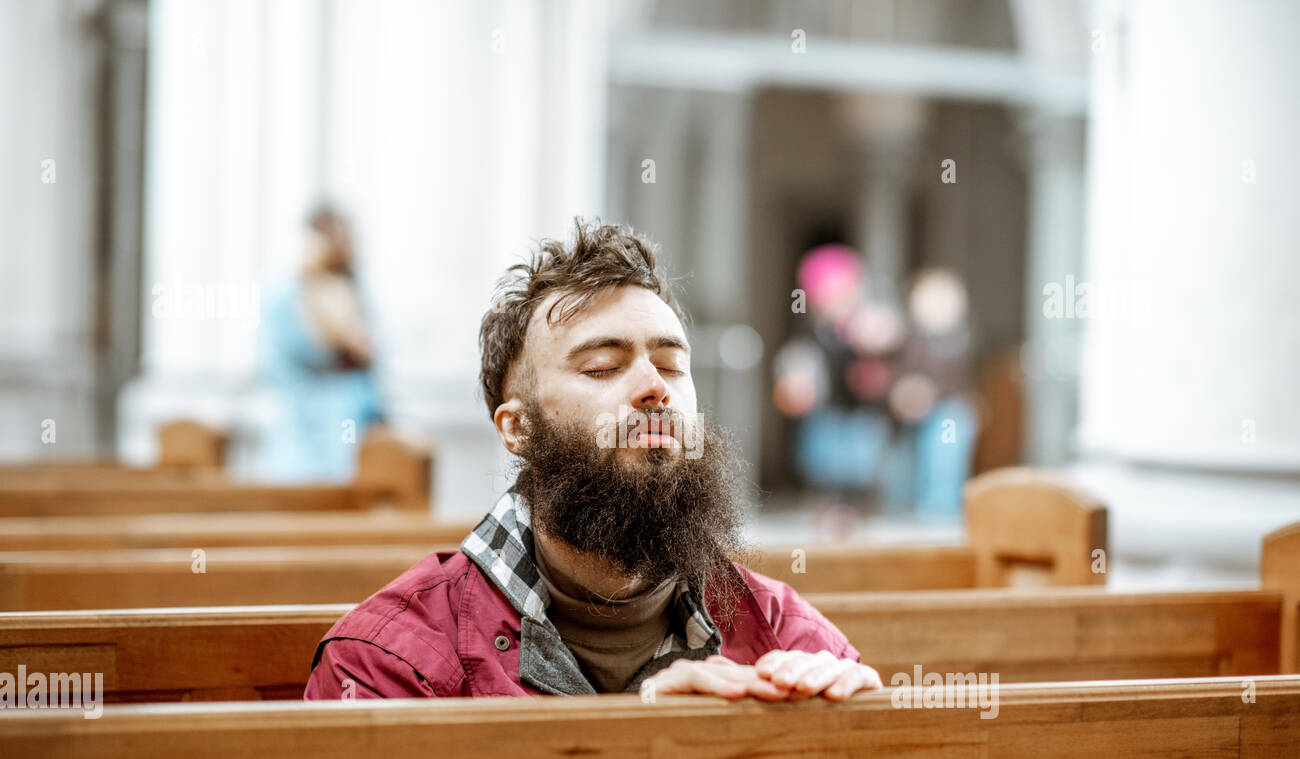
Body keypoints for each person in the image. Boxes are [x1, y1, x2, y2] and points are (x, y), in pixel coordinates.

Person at [304, 217, 882, 701]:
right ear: (518, 427)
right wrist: (641, 743)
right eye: (603, 366)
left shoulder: (786, 636)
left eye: (673, 365)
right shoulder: (388, 663)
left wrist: (852, 730)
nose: (655, 387)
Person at [259, 206, 384, 482]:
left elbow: (376, 359)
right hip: (303, 425)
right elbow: (276, 363)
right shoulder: (286, 297)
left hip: (353, 420)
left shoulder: (356, 290)